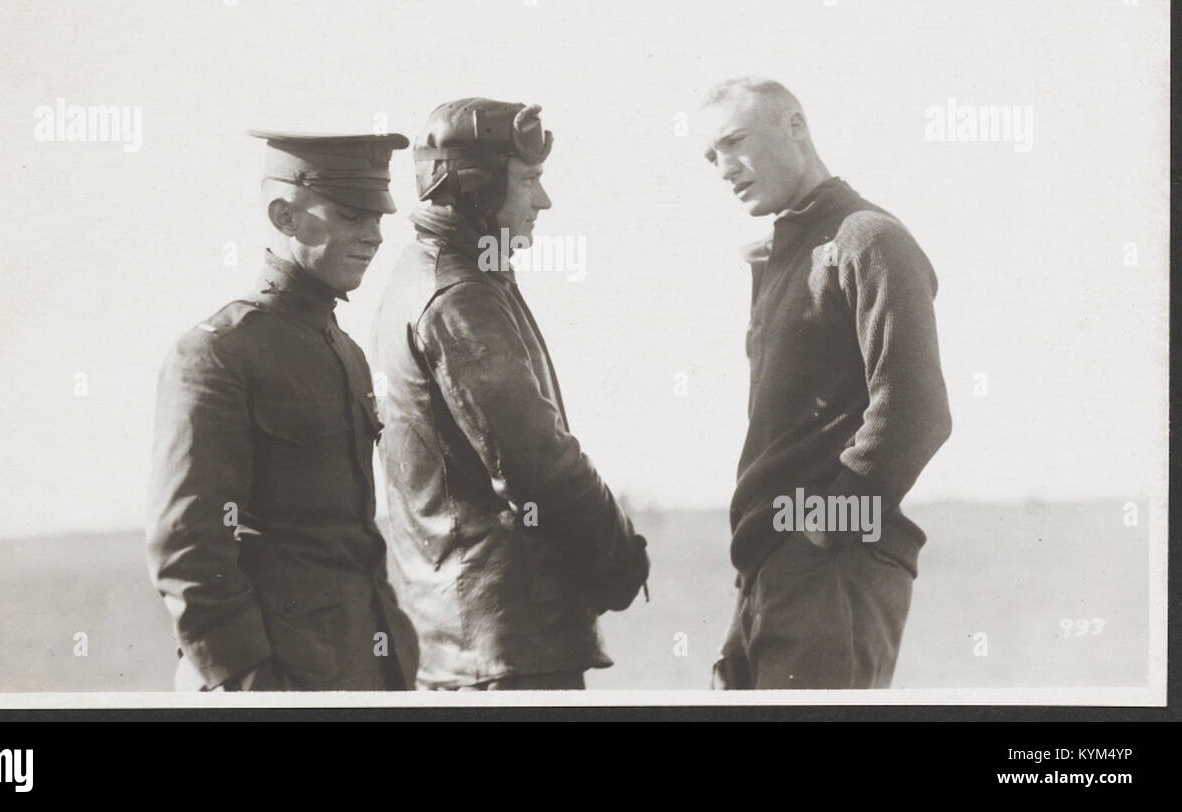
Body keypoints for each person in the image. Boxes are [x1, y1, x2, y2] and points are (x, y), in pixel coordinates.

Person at [371, 97, 650, 690]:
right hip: (505, 655)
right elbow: (536, 461)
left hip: (478, 647)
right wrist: (620, 556)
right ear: (475, 189)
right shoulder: (459, 294)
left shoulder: (446, 276)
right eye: (528, 180)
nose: (542, 201)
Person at [701, 77, 952, 689]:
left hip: (830, 566)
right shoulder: (785, 254)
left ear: (795, 127)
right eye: (711, 156)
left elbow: (916, 411)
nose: (724, 167)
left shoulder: (869, 238)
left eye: (734, 141)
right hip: (769, 569)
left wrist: (821, 531)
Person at [147, 129, 418, 691]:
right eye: (351, 215)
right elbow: (189, 554)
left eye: (378, 219)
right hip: (273, 679)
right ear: (284, 217)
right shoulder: (218, 352)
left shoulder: (348, 354)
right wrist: (248, 684)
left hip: (361, 670)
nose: (373, 235)